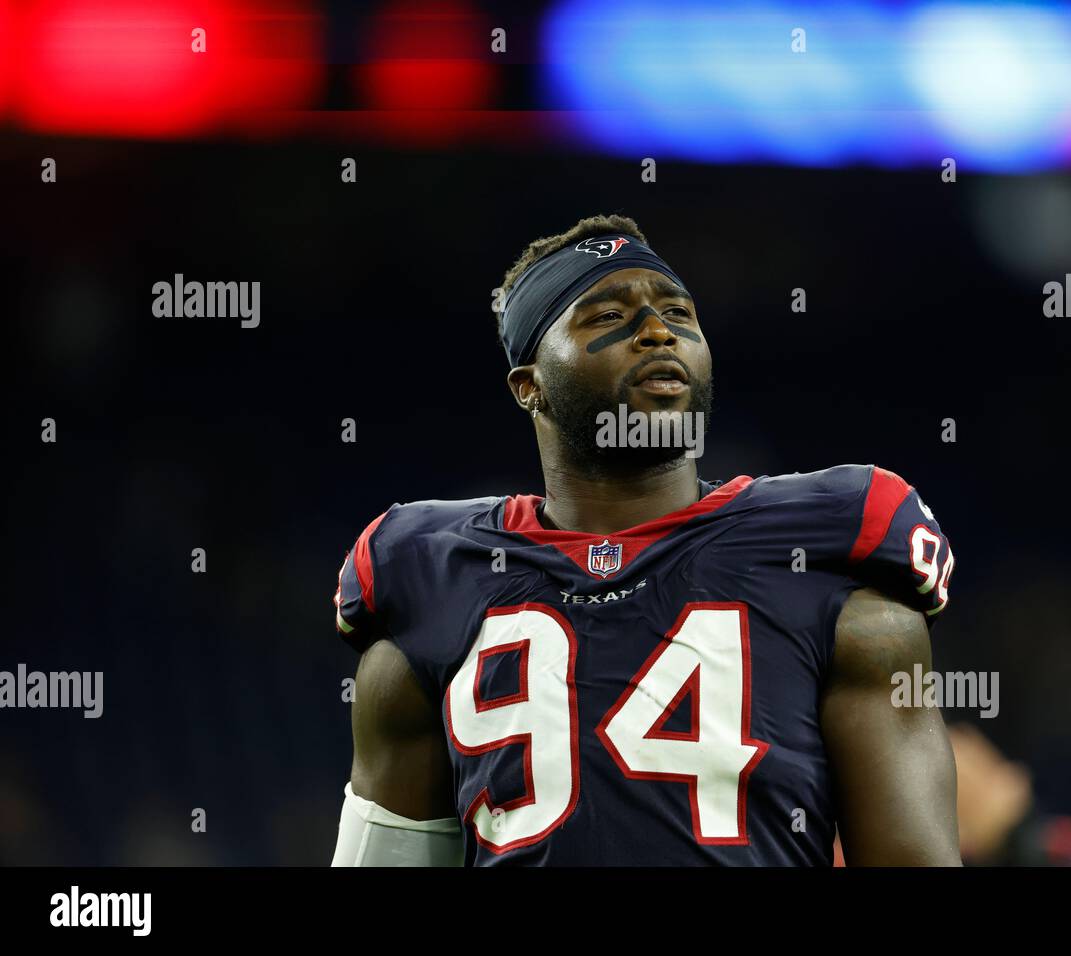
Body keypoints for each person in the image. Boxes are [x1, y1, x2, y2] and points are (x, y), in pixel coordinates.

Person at [330, 214, 958, 866]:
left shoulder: (828, 567)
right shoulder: (431, 581)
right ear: (530, 385)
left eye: (678, 313)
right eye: (606, 316)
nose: (657, 331)